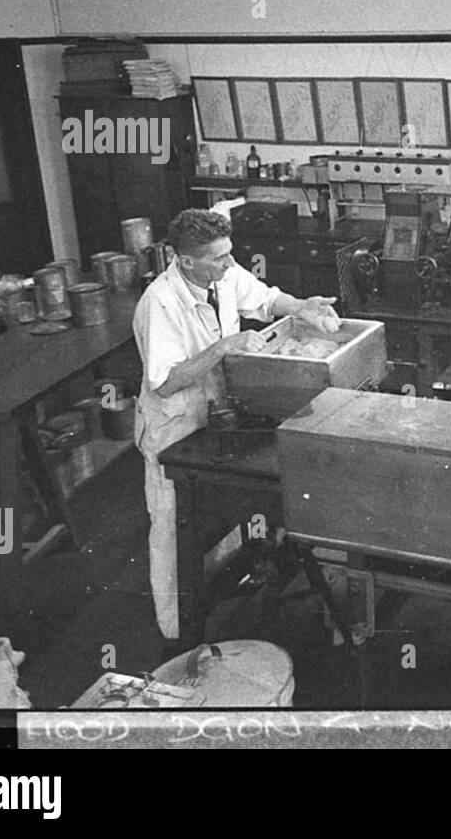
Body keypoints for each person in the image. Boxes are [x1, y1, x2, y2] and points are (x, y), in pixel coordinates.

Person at [132, 208, 341, 640]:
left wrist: (302, 307)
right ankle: (178, 632)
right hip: (176, 427)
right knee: (176, 528)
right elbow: (166, 381)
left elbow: (263, 299)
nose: (229, 265)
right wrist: (226, 346)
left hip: (215, 414)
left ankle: (232, 591)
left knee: (223, 518)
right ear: (186, 261)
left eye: (230, 255)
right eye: (218, 258)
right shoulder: (160, 303)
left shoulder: (221, 273)